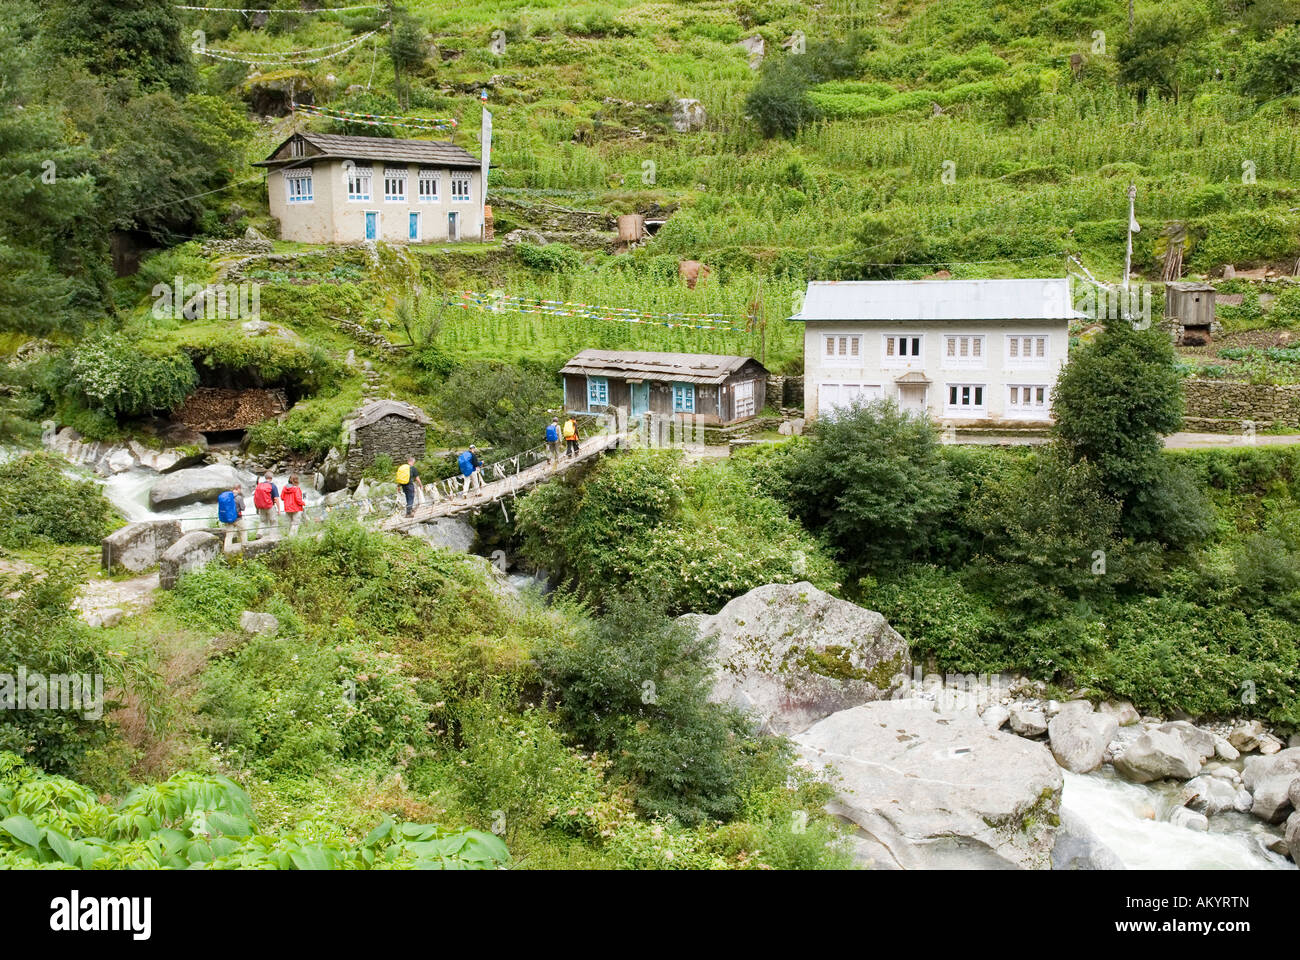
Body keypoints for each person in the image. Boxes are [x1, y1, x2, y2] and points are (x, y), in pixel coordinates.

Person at [217, 483, 246, 552]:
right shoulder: (239, 497)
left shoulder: (226, 497)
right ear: (238, 489)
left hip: (228, 519)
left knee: (229, 535)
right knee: (243, 531)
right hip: (237, 519)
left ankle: (226, 550)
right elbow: (243, 508)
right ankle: (245, 547)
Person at [253, 470, 281, 539]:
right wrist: (279, 509)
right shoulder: (273, 486)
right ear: (271, 478)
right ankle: (272, 536)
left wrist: (257, 508)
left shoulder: (260, 485)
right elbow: (276, 499)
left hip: (261, 507)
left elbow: (255, 498)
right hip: (270, 506)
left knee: (262, 521)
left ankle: (259, 533)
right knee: (273, 521)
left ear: (265, 477)